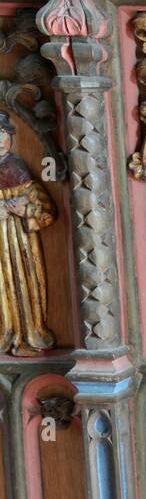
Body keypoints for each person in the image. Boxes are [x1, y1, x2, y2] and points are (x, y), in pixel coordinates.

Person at [0, 111, 56, 355]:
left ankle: (27, 332)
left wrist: (26, 210)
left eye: (2, 134)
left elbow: (47, 210)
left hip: (18, 242)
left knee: (21, 285)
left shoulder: (17, 168)